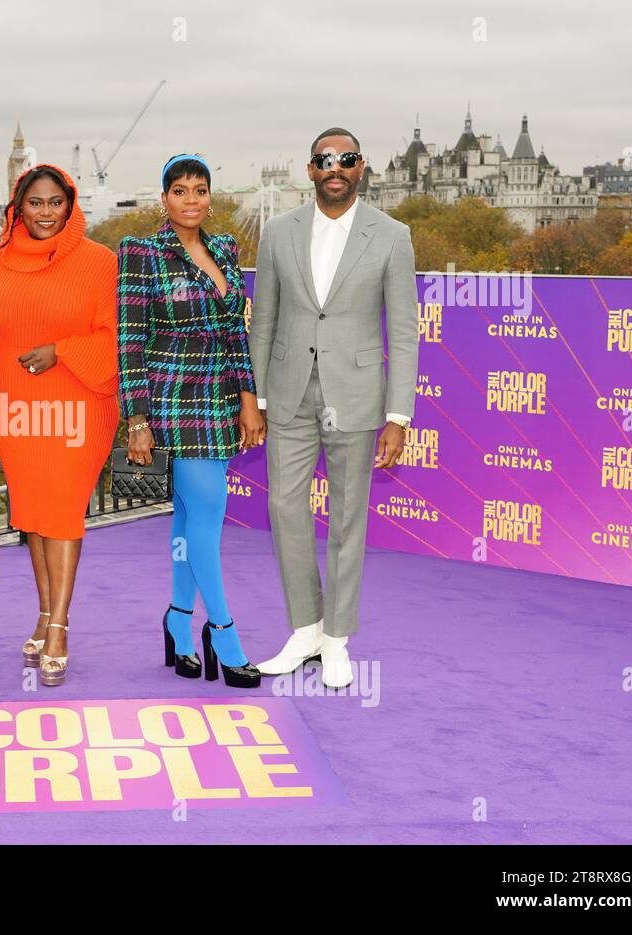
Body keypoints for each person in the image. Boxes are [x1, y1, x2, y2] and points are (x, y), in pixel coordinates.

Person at [249, 127, 419, 689]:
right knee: (283, 508)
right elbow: (264, 319)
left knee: (348, 518)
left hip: (358, 396)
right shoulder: (278, 232)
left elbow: (404, 330)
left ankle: (338, 640)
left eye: (346, 159)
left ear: (361, 167)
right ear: (311, 169)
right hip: (289, 392)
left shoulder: (392, 236)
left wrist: (399, 416)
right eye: (326, 160)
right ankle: (306, 630)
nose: (336, 168)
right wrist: (259, 396)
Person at [118, 154, 266, 688]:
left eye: (199, 190)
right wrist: (137, 420)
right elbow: (130, 339)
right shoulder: (141, 252)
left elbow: (235, 331)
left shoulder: (224, 247)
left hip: (220, 394)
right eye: (179, 191)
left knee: (187, 518)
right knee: (207, 514)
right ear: (164, 199)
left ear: (209, 197)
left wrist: (249, 398)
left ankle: (180, 622)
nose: (190, 200)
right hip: (173, 397)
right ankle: (222, 632)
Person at [0, 164, 119, 687]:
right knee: (34, 514)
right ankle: (43, 612)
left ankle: (59, 627)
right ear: (18, 206)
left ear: (70, 205)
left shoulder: (99, 262)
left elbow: (116, 335)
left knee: (63, 513)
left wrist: (61, 350)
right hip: (14, 407)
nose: (46, 212)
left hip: (79, 401)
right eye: (36, 203)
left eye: (56, 202)